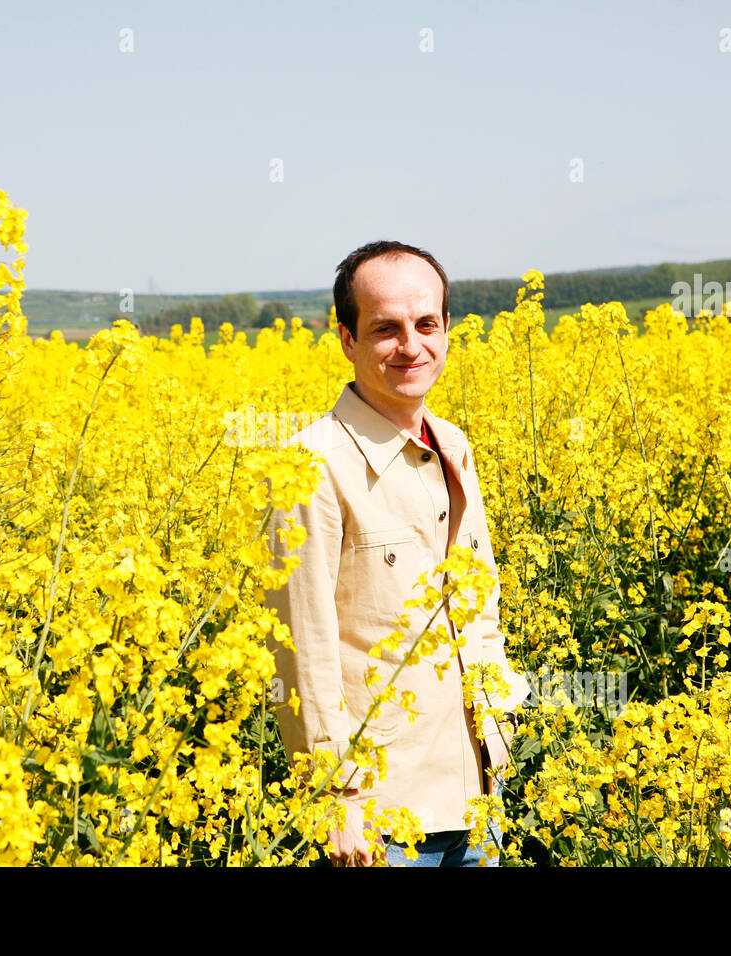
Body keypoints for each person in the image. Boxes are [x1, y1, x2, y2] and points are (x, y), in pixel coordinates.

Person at [264, 240, 531, 867]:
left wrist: (501, 725)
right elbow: (300, 651)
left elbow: (480, 601)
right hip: (377, 816)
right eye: (385, 328)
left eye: (426, 324)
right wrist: (333, 796)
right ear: (348, 341)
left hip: (477, 798)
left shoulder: (454, 444)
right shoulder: (309, 467)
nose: (411, 345)